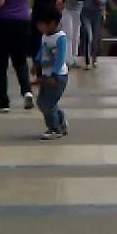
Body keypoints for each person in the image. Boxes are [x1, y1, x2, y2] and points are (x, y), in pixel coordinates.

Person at [33, 12, 70, 140]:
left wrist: (54, 76)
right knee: (42, 102)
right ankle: (60, 119)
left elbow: (60, 59)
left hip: (57, 77)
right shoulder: (45, 36)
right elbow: (41, 51)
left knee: (48, 104)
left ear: (52, 23)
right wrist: (36, 63)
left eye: (41, 25)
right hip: (45, 75)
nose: (39, 27)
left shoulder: (60, 38)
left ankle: (55, 129)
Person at [80, 0, 109, 69]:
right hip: (86, 12)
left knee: (96, 38)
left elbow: (104, 1)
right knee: (89, 35)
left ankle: (94, 58)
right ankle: (87, 61)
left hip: (97, 13)